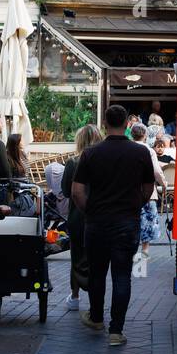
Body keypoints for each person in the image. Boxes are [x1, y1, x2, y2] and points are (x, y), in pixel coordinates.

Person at [71, 106, 155, 346]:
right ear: (127, 124)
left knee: (97, 273)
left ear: (105, 123)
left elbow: (77, 192)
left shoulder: (90, 154)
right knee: (122, 275)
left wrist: (91, 210)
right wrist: (134, 206)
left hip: (97, 223)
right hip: (126, 223)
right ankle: (116, 331)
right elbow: (148, 188)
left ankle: (96, 317)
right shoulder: (139, 153)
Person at [61, 124, 103, 310]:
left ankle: (75, 296)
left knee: (77, 256)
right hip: (100, 215)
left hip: (78, 216)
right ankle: (96, 300)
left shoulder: (73, 163)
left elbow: (66, 191)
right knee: (97, 258)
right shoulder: (104, 162)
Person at [129, 122, 165, 262]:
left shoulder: (128, 149)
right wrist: (164, 183)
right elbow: (156, 171)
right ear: (145, 135)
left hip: (130, 193)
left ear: (132, 135)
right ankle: (144, 252)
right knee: (148, 223)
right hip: (147, 192)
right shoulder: (149, 151)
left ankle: (132, 252)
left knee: (133, 222)